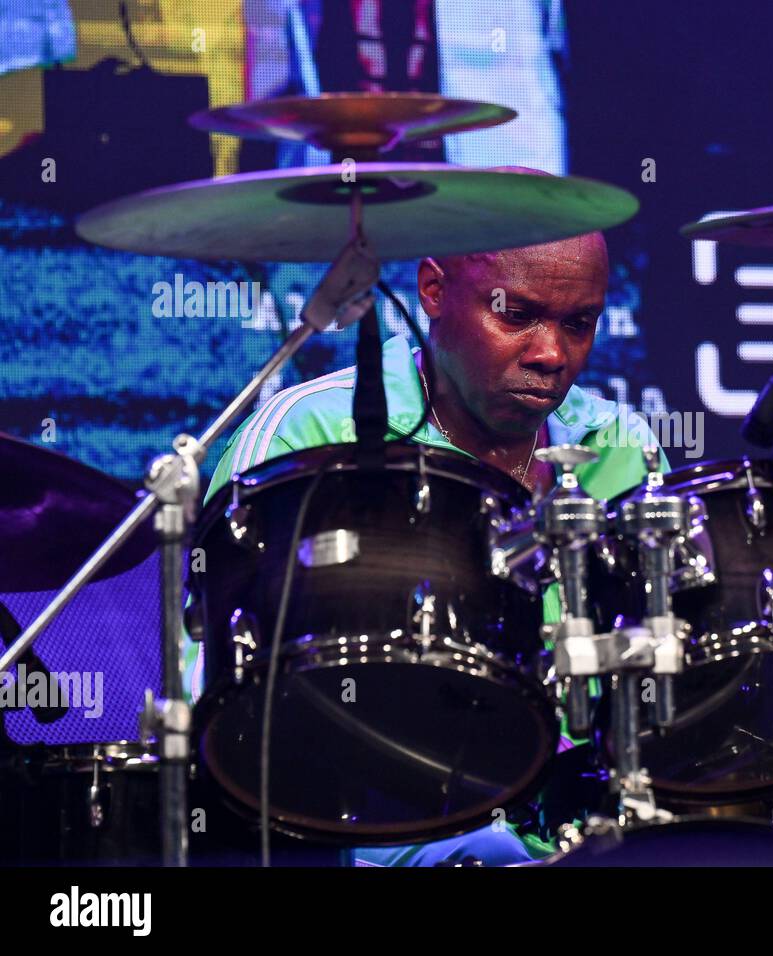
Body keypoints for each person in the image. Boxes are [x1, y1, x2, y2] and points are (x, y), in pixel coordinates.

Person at [187, 226, 665, 865]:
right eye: (517, 316)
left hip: (589, 835)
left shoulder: (620, 448)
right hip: (358, 840)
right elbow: (219, 700)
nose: (552, 353)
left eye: (579, 324)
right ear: (434, 290)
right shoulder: (308, 435)